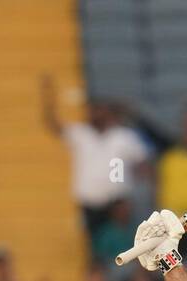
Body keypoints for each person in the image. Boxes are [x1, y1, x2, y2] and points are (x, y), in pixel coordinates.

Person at [41, 77, 150, 241]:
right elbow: (54, 126)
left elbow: (143, 163)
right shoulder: (81, 134)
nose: (93, 113)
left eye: (98, 109)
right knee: (93, 246)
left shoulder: (123, 136)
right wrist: (48, 98)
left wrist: (137, 187)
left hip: (117, 204)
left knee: (122, 243)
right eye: (92, 109)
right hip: (88, 202)